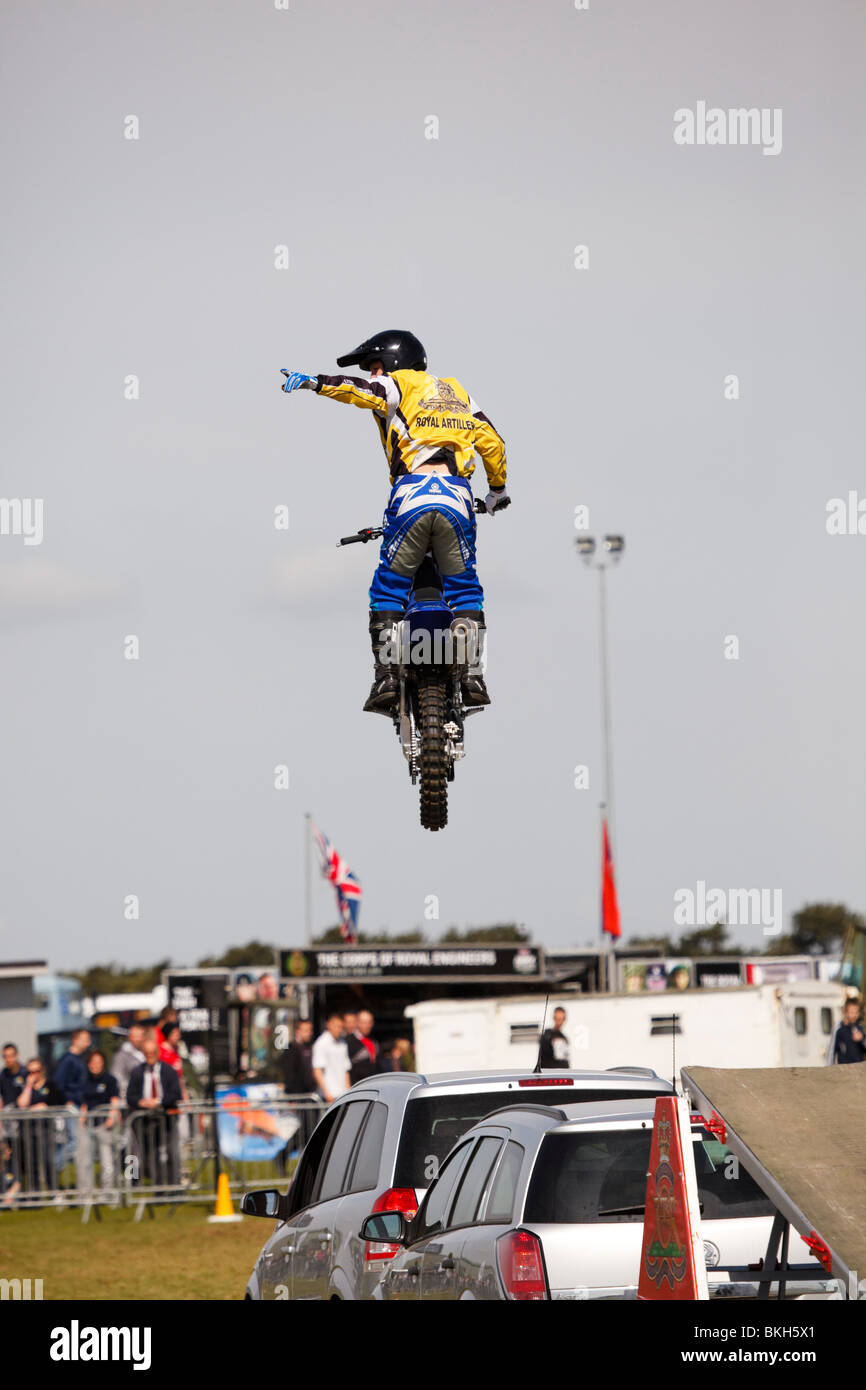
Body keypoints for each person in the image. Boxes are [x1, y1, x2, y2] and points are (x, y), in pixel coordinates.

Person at [280, 330, 510, 713]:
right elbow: (493, 443)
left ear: (393, 364)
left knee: (388, 588)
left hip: (411, 497)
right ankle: (472, 676)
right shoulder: (458, 393)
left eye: (375, 367)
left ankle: (386, 677)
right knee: (465, 588)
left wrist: (315, 383)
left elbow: (358, 391)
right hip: (457, 497)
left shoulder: (396, 385)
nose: (373, 375)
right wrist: (496, 492)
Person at [126, 1035, 183, 1185]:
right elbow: (130, 1096)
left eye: (152, 1053)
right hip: (144, 1121)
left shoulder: (168, 1071)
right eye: (147, 1053)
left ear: (158, 1053)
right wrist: (142, 1102)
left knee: (171, 1153)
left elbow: (176, 1094)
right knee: (147, 1155)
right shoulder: (137, 1072)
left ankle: (173, 1186)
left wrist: (158, 1102)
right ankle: (151, 1186)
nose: (150, 1056)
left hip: (166, 1118)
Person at [79, 1050, 122, 1199]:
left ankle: (107, 1191)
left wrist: (111, 1117)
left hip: (105, 1125)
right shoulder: (86, 1080)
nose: (95, 1065)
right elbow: (84, 1101)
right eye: (92, 1062)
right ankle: (86, 1192)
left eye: (98, 1062)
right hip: (89, 1124)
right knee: (85, 1160)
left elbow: (115, 1100)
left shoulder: (110, 1080)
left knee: (107, 1160)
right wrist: (82, 1118)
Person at [16, 1057, 62, 1195]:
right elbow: (22, 1104)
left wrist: (44, 1107)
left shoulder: (50, 1084)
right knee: (32, 1162)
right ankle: (34, 1194)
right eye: (30, 1071)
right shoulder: (24, 1086)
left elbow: (55, 1103)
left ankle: (53, 1191)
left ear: (42, 1070)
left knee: (48, 1161)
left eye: (37, 1071)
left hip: (46, 1128)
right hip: (28, 1129)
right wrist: (29, 1086)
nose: (34, 1074)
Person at [52, 1028, 91, 1184]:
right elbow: (59, 1083)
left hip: (80, 1105)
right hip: (71, 1105)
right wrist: (67, 1099)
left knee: (79, 1142)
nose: (88, 1042)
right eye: (85, 1039)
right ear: (75, 1040)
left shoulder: (81, 1059)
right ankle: (54, 1166)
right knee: (75, 1141)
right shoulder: (68, 1060)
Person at [311, 1013, 351, 1104]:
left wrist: (349, 1091)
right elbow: (317, 1070)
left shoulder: (343, 1043)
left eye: (341, 1027)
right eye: (336, 1026)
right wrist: (326, 1092)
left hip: (342, 1093)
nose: (339, 1029)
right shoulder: (321, 1043)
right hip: (328, 1095)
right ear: (328, 1025)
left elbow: (346, 1069)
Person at [110, 1023, 146, 1102]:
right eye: (134, 1036)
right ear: (129, 1037)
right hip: (131, 1099)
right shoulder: (122, 1055)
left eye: (139, 1036)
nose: (137, 1039)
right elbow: (117, 1077)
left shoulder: (148, 1052)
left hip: (147, 1097)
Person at [281, 1020, 315, 1094]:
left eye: (310, 1030)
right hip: (296, 1094)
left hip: (309, 1093)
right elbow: (289, 1075)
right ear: (297, 1031)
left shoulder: (311, 1047)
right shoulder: (291, 1049)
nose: (310, 1033)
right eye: (306, 1030)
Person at [345, 1011, 378, 1086]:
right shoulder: (349, 1042)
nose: (367, 1026)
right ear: (357, 1023)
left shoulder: (373, 1041)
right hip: (357, 1087)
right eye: (364, 1023)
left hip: (373, 1085)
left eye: (369, 1022)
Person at [832, 997, 866, 1064]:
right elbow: (833, 1052)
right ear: (846, 1012)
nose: (854, 1015)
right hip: (844, 1068)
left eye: (856, 1012)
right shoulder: (839, 1030)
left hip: (858, 1068)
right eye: (851, 1012)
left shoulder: (860, 1028)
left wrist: (861, 1039)